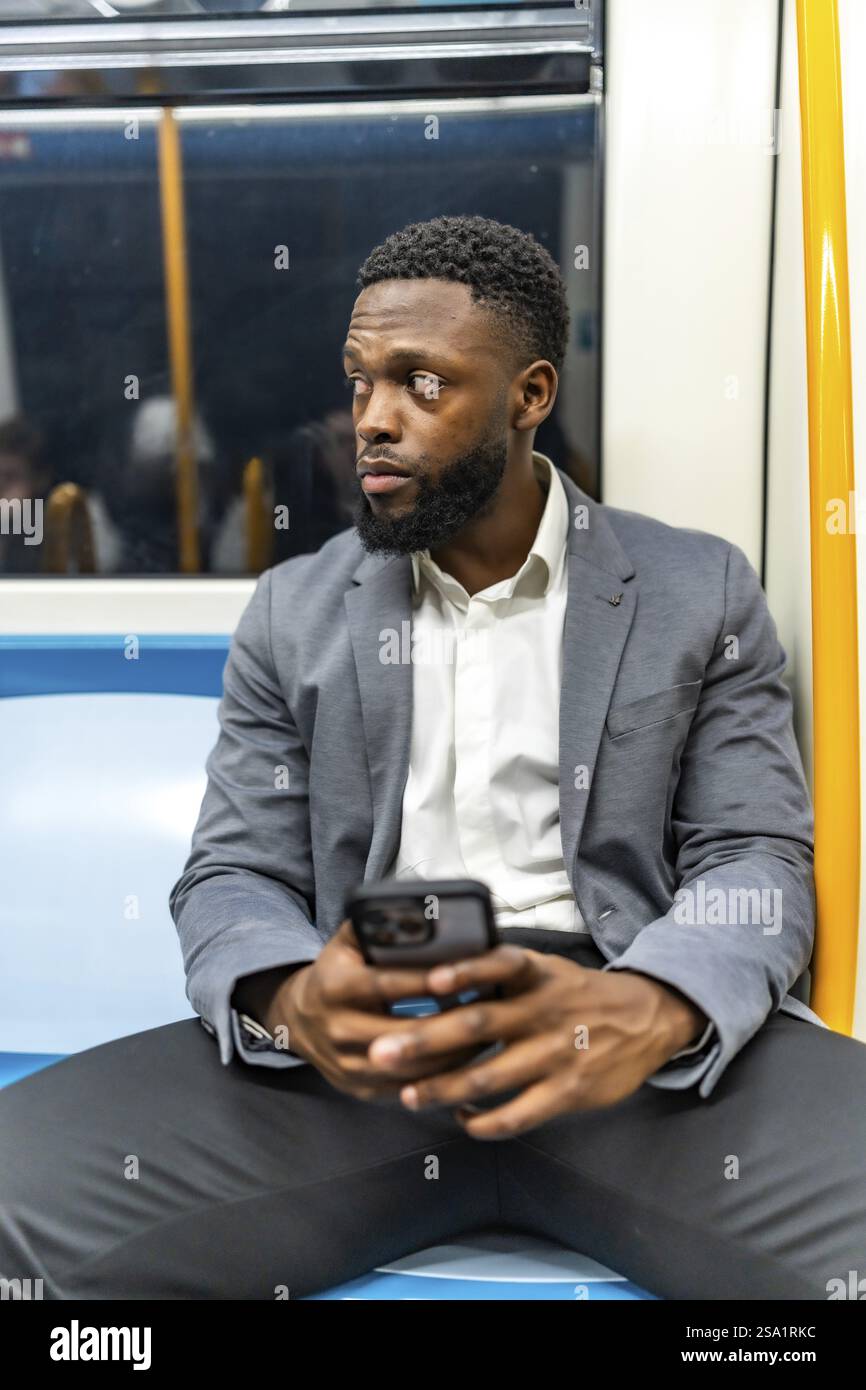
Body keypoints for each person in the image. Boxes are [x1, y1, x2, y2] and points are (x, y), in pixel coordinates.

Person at [1, 215, 865, 1301]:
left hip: (633, 1045)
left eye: (419, 383)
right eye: (359, 382)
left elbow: (754, 860)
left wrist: (654, 1002)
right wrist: (290, 992)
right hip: (357, 1055)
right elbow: (233, 873)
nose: (370, 419)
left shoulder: (697, 591)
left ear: (529, 394)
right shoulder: (294, 610)